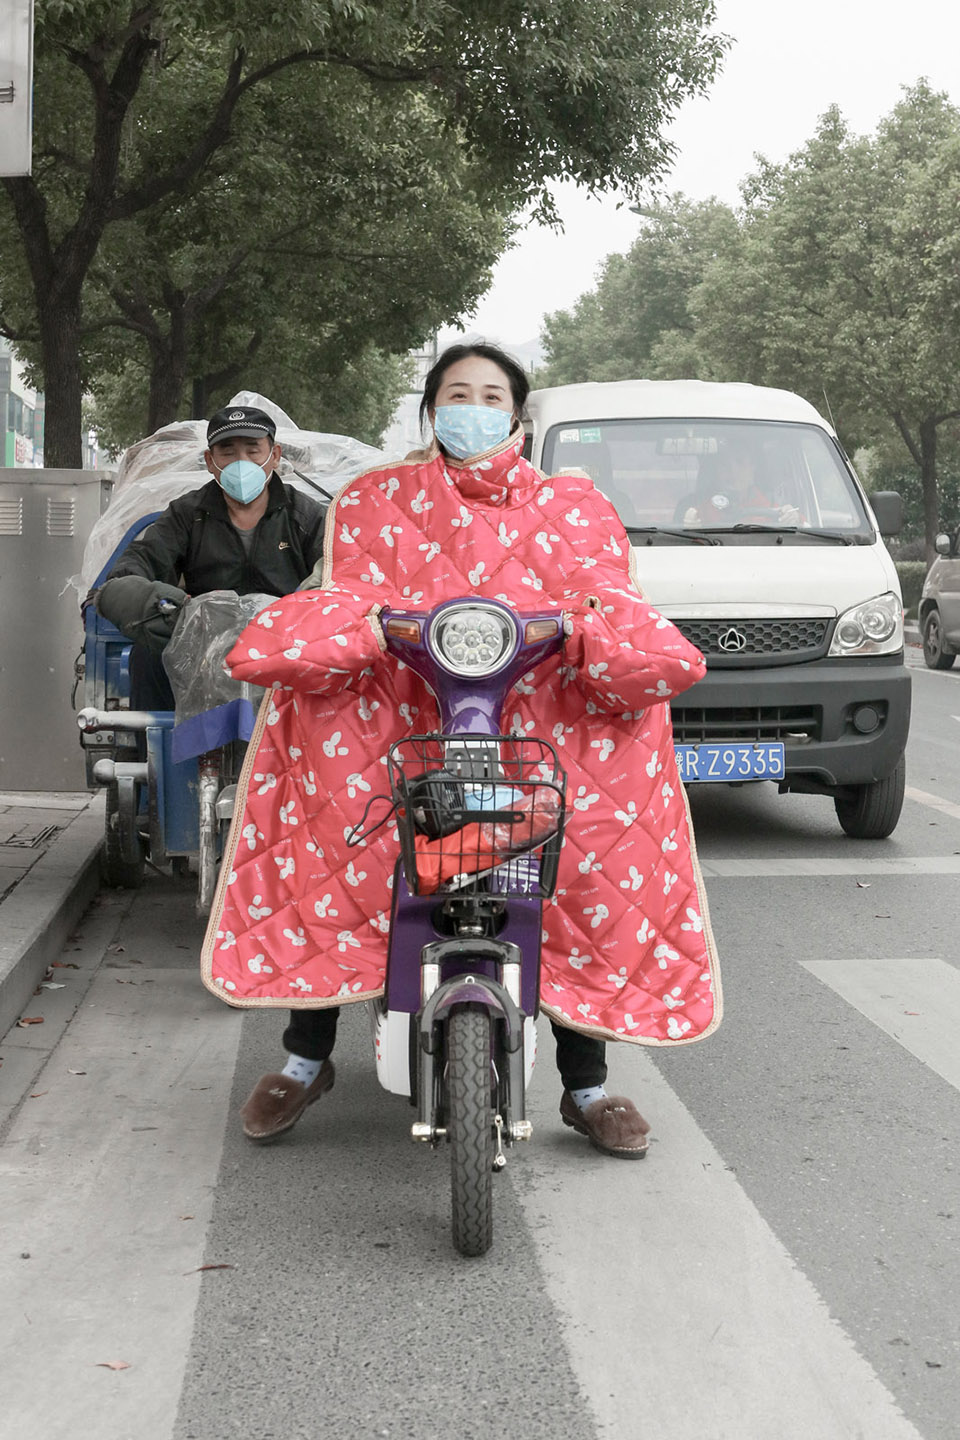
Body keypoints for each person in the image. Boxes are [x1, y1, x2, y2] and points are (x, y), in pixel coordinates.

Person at [202, 344, 722, 1161]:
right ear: (430, 410)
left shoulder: (575, 507)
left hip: (541, 723)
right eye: (455, 395)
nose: (472, 410)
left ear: (517, 415)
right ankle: (306, 1059)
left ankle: (586, 1085)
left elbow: (609, 599)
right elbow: (346, 593)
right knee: (340, 842)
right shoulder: (376, 500)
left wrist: (589, 628)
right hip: (404, 713)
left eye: (489, 396)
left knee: (581, 861)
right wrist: (365, 626)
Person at [93, 405, 326, 709]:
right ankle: (155, 740)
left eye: (253, 450)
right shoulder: (187, 514)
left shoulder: (307, 516)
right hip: (201, 643)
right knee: (146, 655)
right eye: (227, 452)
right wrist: (171, 609)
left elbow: (339, 577)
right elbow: (137, 564)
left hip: (286, 647)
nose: (241, 462)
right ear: (210, 461)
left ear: (275, 455)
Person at [683, 436, 801, 528]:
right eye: (725, 464)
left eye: (740, 462)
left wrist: (794, 518)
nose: (733, 471)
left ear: (753, 468)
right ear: (716, 472)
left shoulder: (772, 507)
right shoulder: (701, 511)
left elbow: (803, 530)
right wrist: (689, 525)